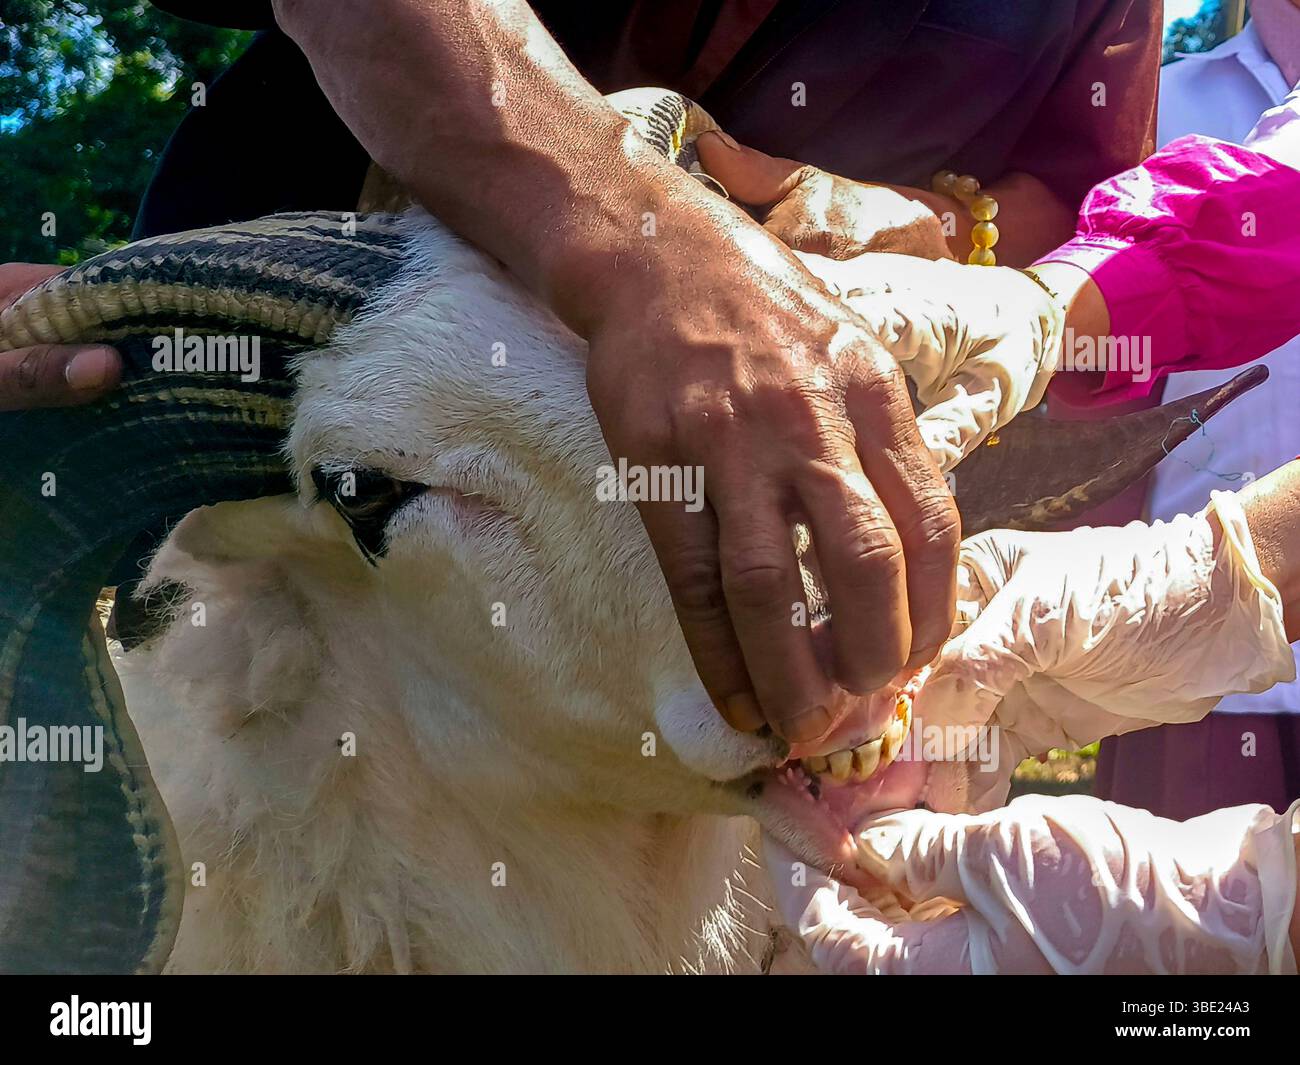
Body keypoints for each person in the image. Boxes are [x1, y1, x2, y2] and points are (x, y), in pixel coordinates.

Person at [0, 0, 1161, 746]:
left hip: (730, 550)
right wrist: (645, 242)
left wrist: (909, 222)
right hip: (256, 453)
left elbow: (1077, 189)